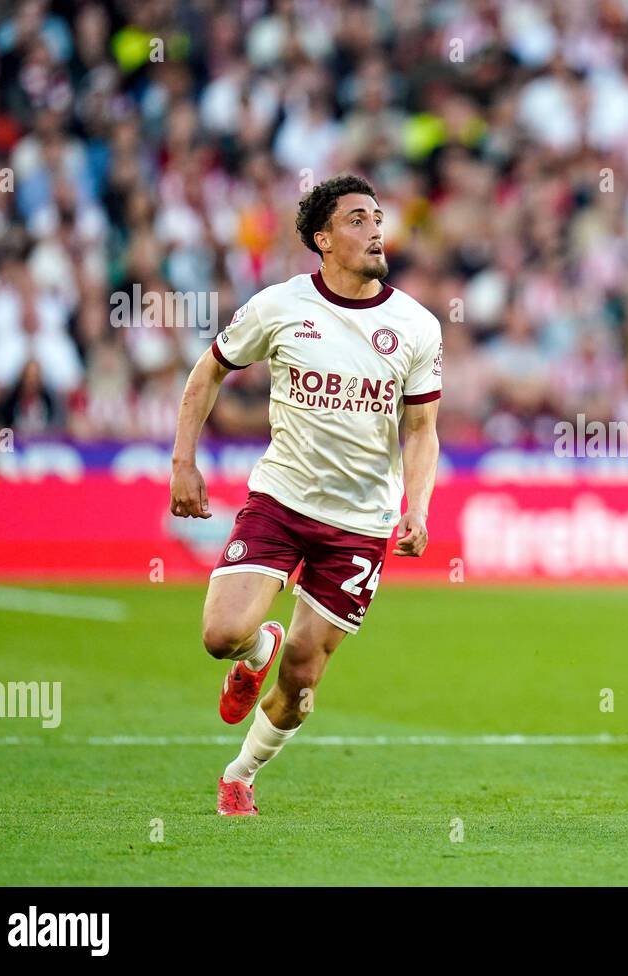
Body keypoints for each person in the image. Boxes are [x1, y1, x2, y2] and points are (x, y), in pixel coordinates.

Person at [170, 174, 443, 815]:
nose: (376, 228)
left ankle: (240, 774)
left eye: (378, 217)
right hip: (281, 501)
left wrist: (419, 508)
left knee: (302, 676)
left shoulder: (417, 327)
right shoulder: (281, 306)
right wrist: (184, 461)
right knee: (221, 636)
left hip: (359, 525)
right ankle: (254, 647)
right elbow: (210, 369)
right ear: (322, 239)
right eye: (357, 219)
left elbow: (423, 430)